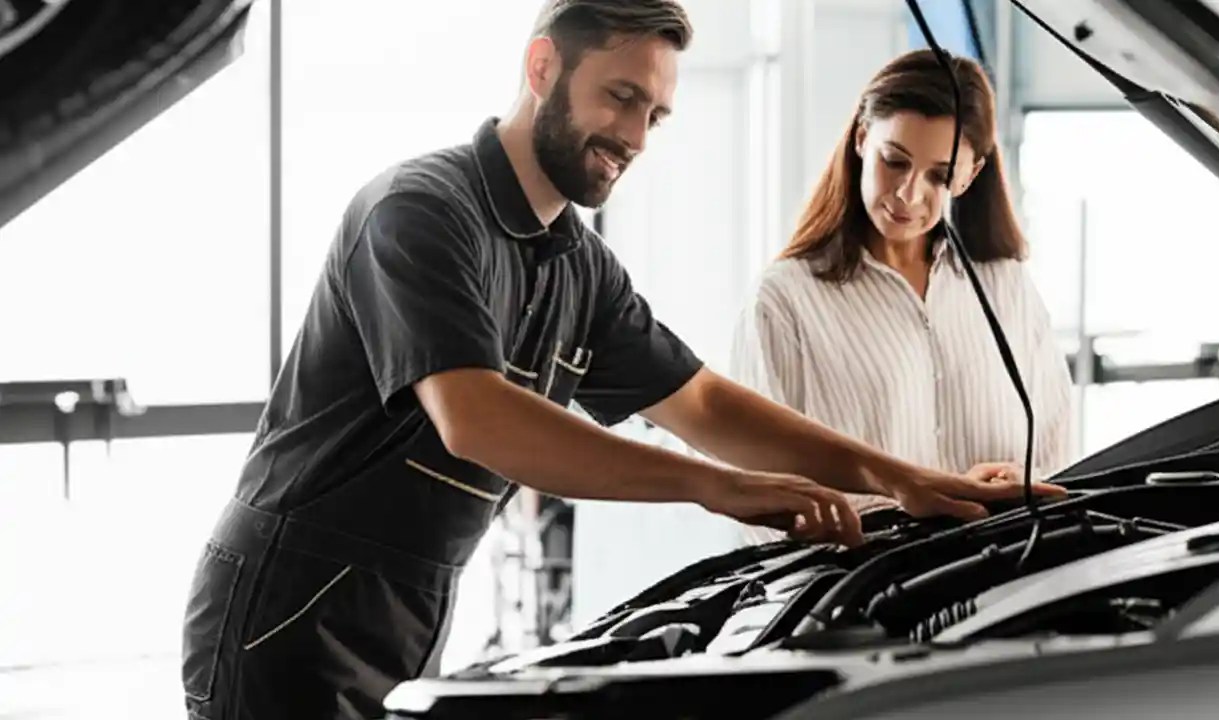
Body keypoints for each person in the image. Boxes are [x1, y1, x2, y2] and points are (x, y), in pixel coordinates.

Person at [180, 5, 1065, 719]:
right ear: (541, 69)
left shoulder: (577, 259)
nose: (637, 134)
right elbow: (477, 418)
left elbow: (702, 401)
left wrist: (899, 477)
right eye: (619, 96)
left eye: (656, 112)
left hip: (415, 597)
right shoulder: (420, 210)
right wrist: (709, 484)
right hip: (289, 601)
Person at [730, 49, 1075, 546]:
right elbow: (763, 502)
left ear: (970, 174)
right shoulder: (784, 300)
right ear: (862, 137)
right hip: (859, 598)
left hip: (1007, 582)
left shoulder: (1007, 285)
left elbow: (1059, 463)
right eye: (895, 162)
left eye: (939, 175)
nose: (909, 195)